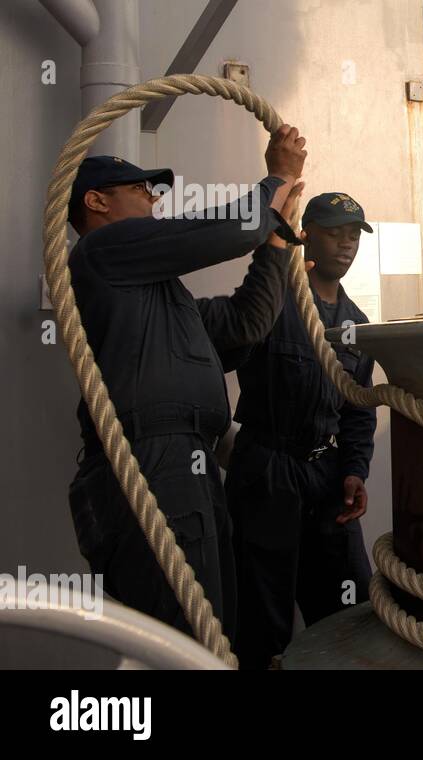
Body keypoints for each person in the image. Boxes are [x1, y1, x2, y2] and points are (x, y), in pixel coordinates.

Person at [65, 126, 309, 635]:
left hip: (188, 467)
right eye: (140, 190)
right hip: (152, 465)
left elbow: (247, 324)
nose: (154, 200)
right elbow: (231, 228)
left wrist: (275, 244)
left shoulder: (163, 299)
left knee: (212, 630)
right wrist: (277, 178)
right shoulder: (99, 252)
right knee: (186, 636)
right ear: (96, 202)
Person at [224, 192, 378, 669]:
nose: (347, 244)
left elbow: (359, 410)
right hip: (268, 473)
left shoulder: (357, 326)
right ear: (307, 235)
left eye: (354, 235)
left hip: (326, 476)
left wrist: (354, 471)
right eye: (335, 233)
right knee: (261, 617)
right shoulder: (273, 304)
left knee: (352, 613)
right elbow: (223, 352)